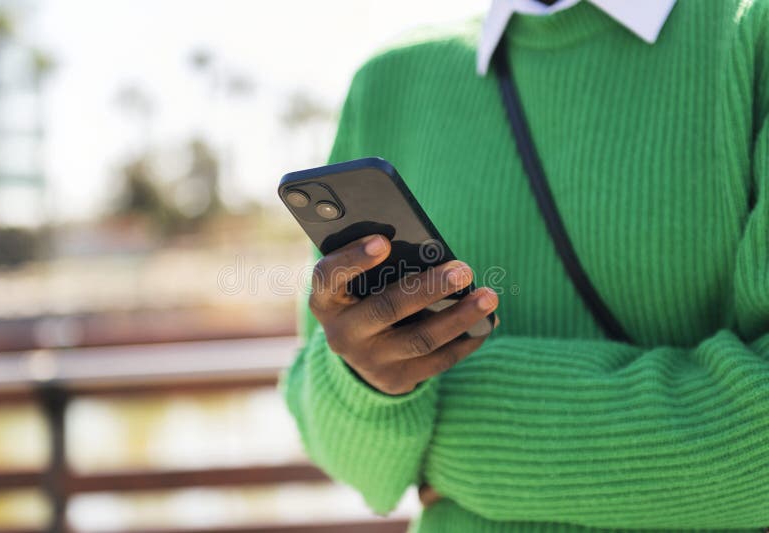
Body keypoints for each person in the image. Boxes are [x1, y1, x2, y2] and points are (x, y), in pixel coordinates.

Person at [282, 0, 769, 531]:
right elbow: (331, 434)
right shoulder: (390, 81)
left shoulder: (751, 31)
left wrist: (444, 437)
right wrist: (363, 379)